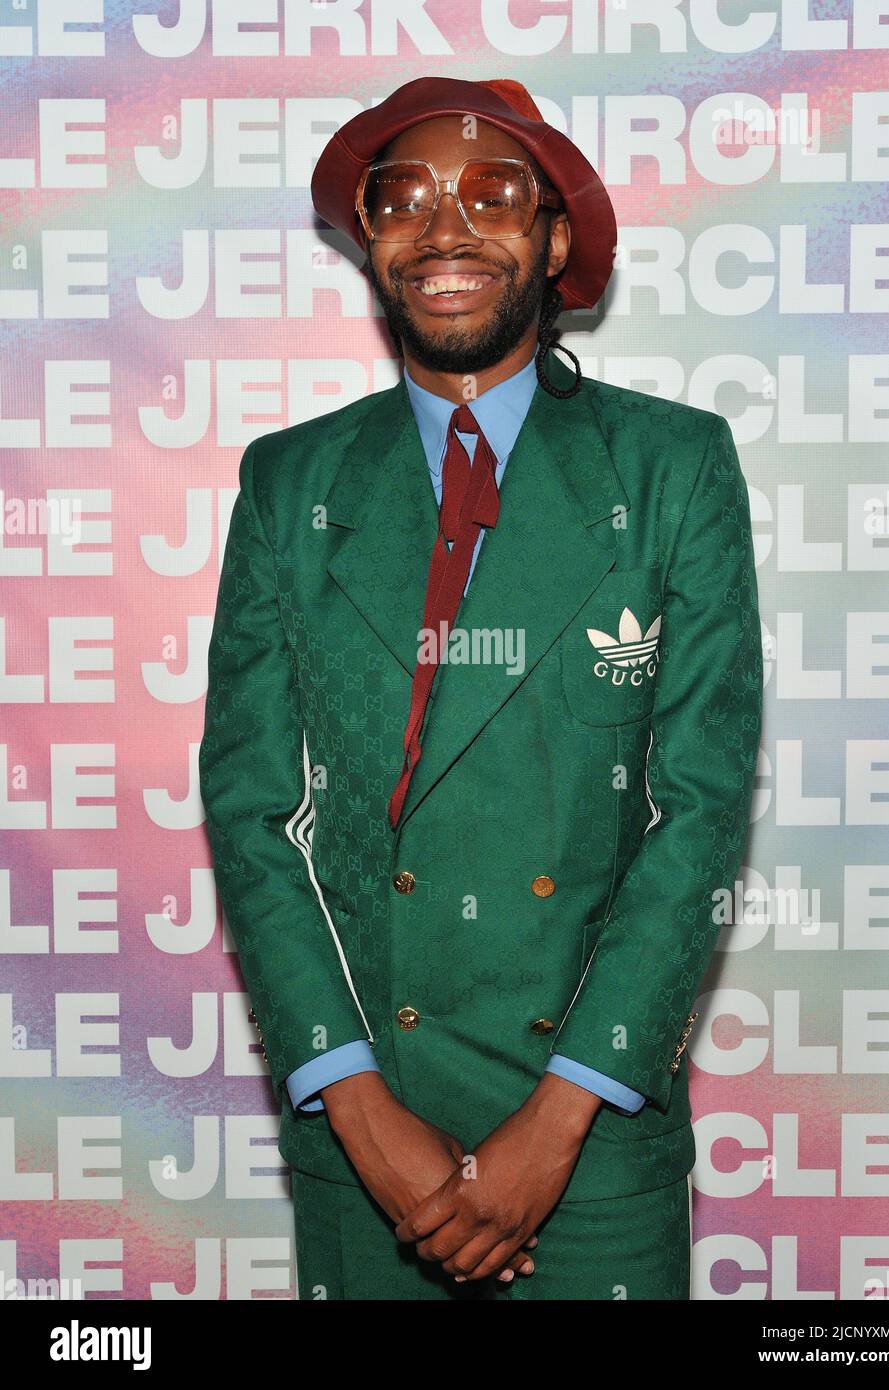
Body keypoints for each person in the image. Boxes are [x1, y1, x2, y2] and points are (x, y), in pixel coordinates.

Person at [198, 76, 764, 1301]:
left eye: (493, 193)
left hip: (591, 1139)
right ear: (369, 237)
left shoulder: (670, 468)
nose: (443, 226)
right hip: (369, 1142)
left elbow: (701, 807)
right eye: (401, 197)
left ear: (555, 240)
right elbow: (250, 811)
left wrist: (557, 1119)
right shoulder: (288, 483)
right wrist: (353, 1102)